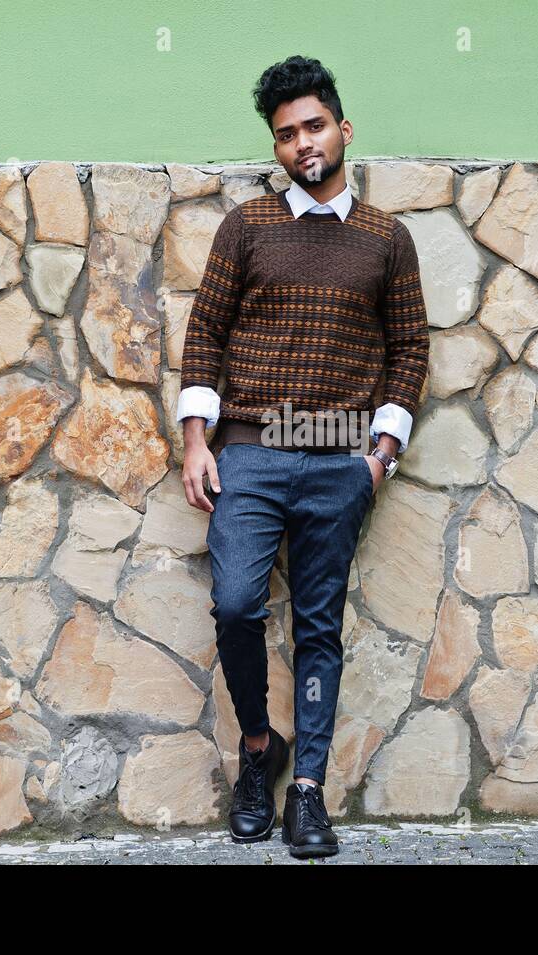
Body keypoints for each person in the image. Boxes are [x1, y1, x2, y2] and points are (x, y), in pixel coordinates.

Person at [177, 54, 429, 858]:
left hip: (337, 463)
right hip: (248, 453)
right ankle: (261, 751)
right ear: (276, 146)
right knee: (237, 605)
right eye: (285, 134)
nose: (301, 143)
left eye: (313, 125)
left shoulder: (388, 238)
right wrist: (194, 440)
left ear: (343, 130)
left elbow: (411, 349)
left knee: (319, 627)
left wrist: (379, 456)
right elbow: (207, 331)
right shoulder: (247, 226)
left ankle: (308, 792)